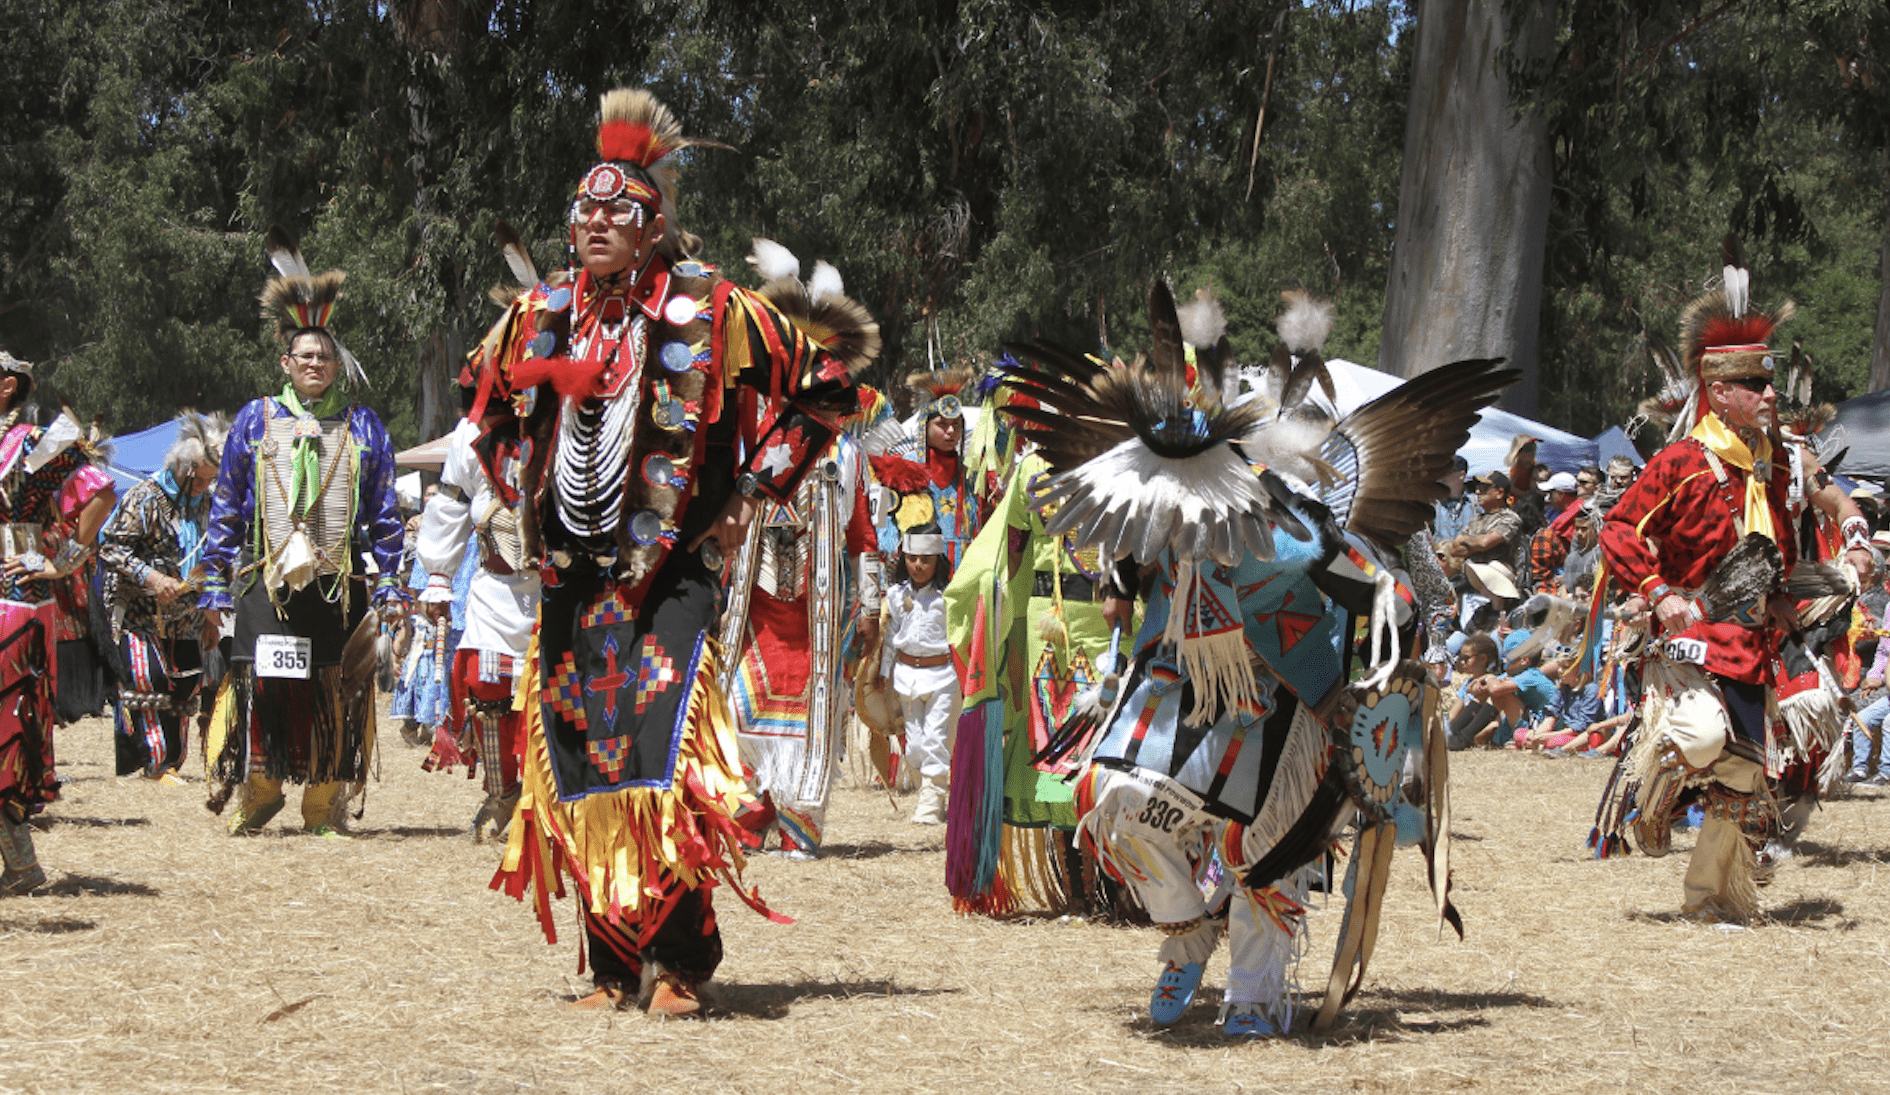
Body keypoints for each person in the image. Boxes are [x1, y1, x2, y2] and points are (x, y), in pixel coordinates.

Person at [996, 283, 1504, 1036]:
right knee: (1111, 797)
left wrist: (1378, 678)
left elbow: (1365, 583)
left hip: (1283, 696)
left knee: (1264, 845)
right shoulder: (1150, 493)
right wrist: (1124, 582)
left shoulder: (1282, 514)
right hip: (1173, 685)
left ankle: (1255, 994)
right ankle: (1186, 932)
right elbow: (1131, 563)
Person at [480, 89, 872, 1016]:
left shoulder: (714, 310)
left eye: (619, 212)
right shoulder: (538, 315)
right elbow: (486, 404)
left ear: (654, 227)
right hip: (571, 580)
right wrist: (516, 486)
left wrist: (748, 495)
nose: (597, 225)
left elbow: (825, 389)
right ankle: (614, 965)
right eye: (585, 212)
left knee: (660, 749)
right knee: (579, 757)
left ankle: (681, 959)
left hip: (670, 576)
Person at [1595, 244, 1862, 921]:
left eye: (1770, 384)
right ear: (1718, 391)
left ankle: (1710, 900)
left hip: (1750, 639)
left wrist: (1816, 576)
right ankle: (1647, 795)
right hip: (1688, 634)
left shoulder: (1778, 465)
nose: (1770, 395)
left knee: (1744, 777)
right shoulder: (1682, 462)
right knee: (1704, 736)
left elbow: (1801, 528)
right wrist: (1658, 592)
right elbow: (1618, 528)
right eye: (1755, 385)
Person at [197, 231, 409, 837]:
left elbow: (385, 512)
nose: (315, 364)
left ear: (337, 366)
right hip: (266, 580)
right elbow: (227, 504)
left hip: (336, 584)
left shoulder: (363, 425)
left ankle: (322, 807)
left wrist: (390, 582)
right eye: (305, 356)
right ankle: (261, 793)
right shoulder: (256, 419)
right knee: (264, 683)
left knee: (334, 690)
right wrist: (213, 583)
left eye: (325, 357)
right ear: (285, 363)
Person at [716, 311, 879, 854]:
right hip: (755, 614)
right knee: (739, 710)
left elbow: (863, 536)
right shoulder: (756, 446)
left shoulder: (848, 457)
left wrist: (871, 606)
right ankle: (752, 813)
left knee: (812, 719)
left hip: (817, 623)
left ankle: (799, 821)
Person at [412, 349, 542, 840]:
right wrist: (439, 576)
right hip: (493, 588)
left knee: (551, 693)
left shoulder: (567, 421)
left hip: (554, 590)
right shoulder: (470, 438)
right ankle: (502, 792)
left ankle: (544, 797)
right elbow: (449, 504)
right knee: (486, 688)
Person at [0, 351, 117, 894]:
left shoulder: (29, 444)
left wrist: (63, 561)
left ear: (7, 387)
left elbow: (100, 491)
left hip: (13, 601)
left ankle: (22, 863)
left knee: (6, 729)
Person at [98, 412, 228, 782]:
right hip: (139, 611)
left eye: (211, 479)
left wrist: (209, 618)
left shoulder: (207, 504)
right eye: (199, 479)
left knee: (186, 683)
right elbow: (111, 548)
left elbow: (212, 561)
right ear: (182, 469)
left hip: (187, 615)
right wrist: (152, 577)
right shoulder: (145, 497)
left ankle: (170, 762)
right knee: (147, 679)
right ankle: (150, 763)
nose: (204, 486)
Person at [878, 523, 956, 825]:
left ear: (938, 560)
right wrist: (883, 672)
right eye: (912, 559)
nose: (918, 566)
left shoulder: (949, 596)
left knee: (935, 740)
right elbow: (890, 636)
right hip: (906, 677)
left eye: (926, 559)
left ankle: (931, 805)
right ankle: (928, 791)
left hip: (943, 677)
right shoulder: (896, 595)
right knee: (914, 746)